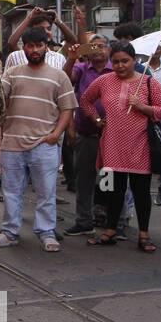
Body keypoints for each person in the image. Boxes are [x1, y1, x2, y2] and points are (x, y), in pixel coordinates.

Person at [0, 27, 76, 252]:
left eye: (39, 45)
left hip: (44, 145)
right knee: (11, 191)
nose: (35, 50)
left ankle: (46, 232)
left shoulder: (59, 75)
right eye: (30, 46)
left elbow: (68, 108)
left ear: (46, 46)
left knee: (46, 192)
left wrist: (56, 134)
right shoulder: (12, 73)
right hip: (12, 145)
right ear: (24, 48)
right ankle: (10, 232)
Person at [80, 42, 161, 251]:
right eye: (116, 61)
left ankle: (144, 234)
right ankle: (110, 229)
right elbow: (85, 100)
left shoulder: (148, 83)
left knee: (141, 191)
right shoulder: (104, 81)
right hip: (111, 144)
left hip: (141, 144)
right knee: (113, 189)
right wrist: (97, 120)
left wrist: (141, 106)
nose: (120, 66)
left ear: (134, 60)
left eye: (125, 61)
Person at [64, 34, 110, 235]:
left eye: (101, 46)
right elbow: (65, 80)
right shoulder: (82, 69)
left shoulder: (115, 68)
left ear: (108, 48)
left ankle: (111, 219)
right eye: (94, 46)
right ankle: (84, 221)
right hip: (86, 134)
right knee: (84, 179)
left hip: (111, 136)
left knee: (109, 180)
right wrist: (72, 57)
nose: (98, 50)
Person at [4, 7, 74, 70]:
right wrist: (29, 18)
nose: (47, 32)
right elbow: (11, 43)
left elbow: (72, 41)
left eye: (49, 28)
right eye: (42, 29)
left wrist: (58, 21)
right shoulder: (21, 55)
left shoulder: (58, 58)